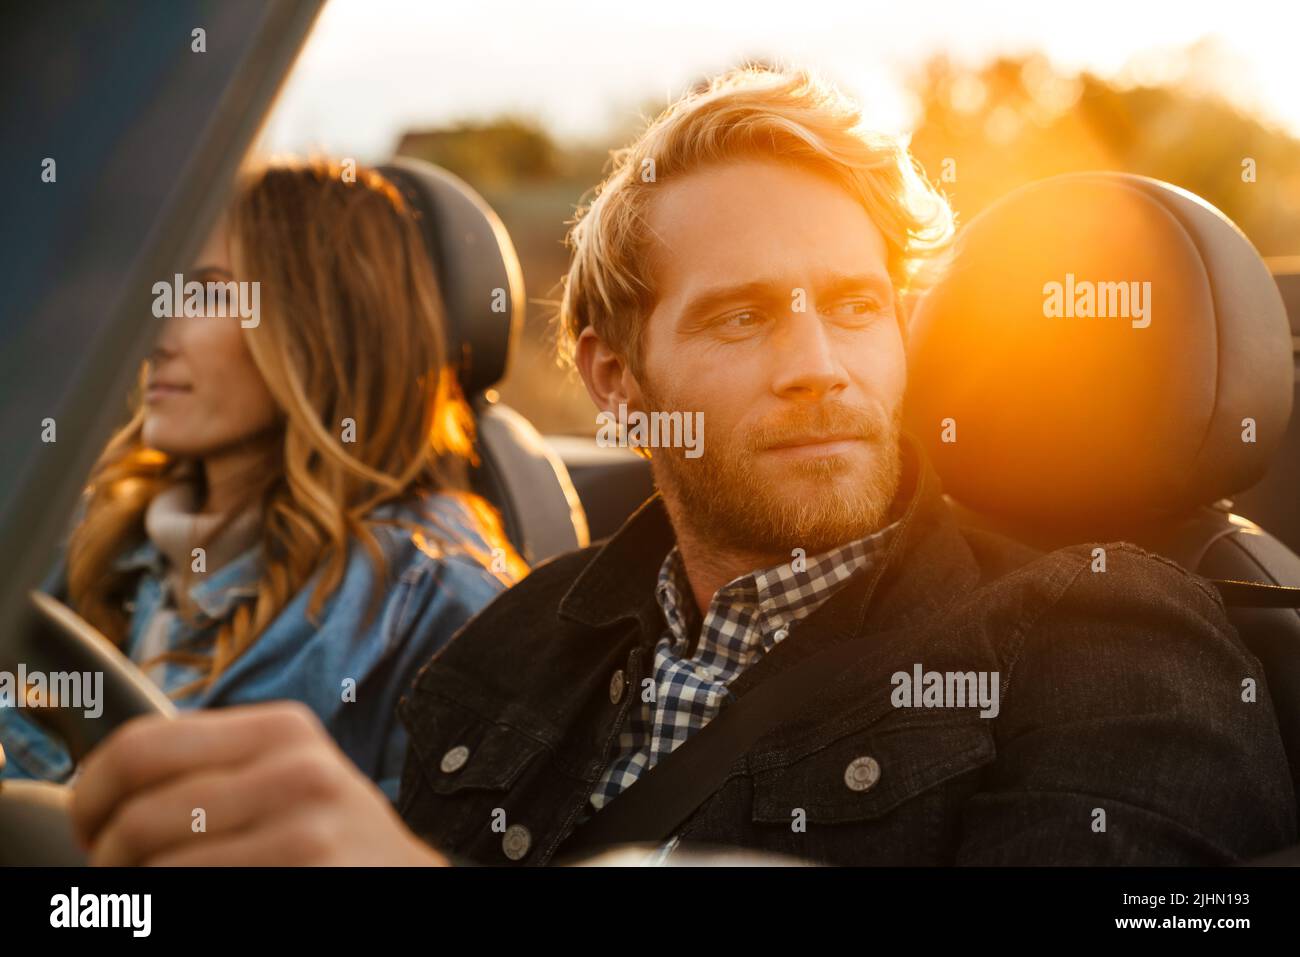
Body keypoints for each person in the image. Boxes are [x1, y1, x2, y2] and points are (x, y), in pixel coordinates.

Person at [67, 69, 1294, 866]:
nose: (817, 364)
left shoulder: (1101, 628)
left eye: (856, 307)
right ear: (613, 379)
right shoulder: (506, 644)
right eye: (742, 318)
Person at [0, 159, 523, 802]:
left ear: (326, 327)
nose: (156, 336)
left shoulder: (437, 601)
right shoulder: (91, 534)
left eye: (209, 295)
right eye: (160, 294)